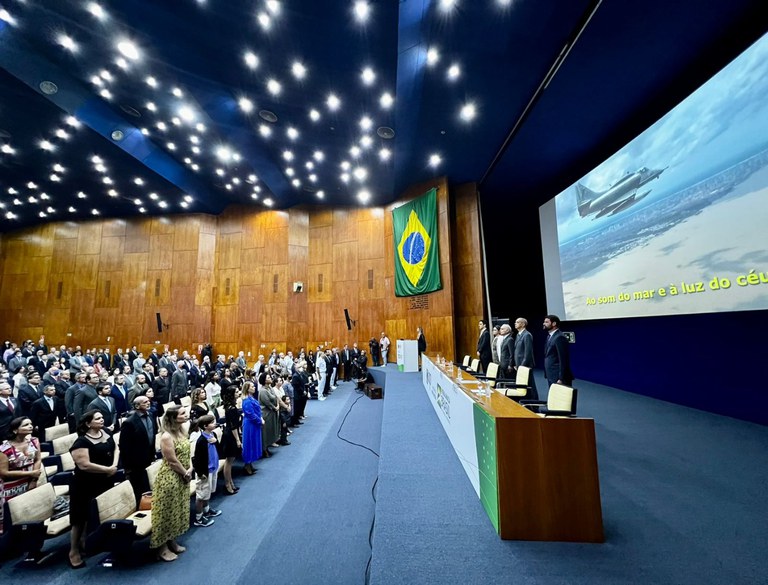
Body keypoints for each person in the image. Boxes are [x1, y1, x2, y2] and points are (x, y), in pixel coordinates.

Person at [68, 410, 117, 568]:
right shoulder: (81, 442)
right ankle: (74, 551)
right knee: (79, 519)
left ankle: (86, 542)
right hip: (84, 484)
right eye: (98, 418)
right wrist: (107, 469)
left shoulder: (106, 431)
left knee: (95, 514)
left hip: (105, 480)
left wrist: (114, 466)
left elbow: (117, 447)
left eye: (102, 417)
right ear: (88, 423)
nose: (102, 420)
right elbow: (84, 465)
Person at [151, 405, 193, 562]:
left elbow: (187, 452)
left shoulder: (182, 431)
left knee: (177, 510)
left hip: (183, 475)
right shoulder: (166, 437)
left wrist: (190, 468)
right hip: (170, 478)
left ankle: (172, 541)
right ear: (173, 418)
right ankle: (161, 548)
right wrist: (185, 472)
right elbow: (172, 461)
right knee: (166, 513)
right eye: (182, 413)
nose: (186, 415)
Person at [0, 417, 43, 535]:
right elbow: (4, 472)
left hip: (30, 480)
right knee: (12, 516)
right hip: (10, 486)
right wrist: (30, 473)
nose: (30, 426)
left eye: (31, 424)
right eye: (25, 425)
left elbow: (38, 459)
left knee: (30, 512)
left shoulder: (34, 441)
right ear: (15, 430)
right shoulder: (4, 449)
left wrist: (34, 479)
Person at [120, 395, 159, 505]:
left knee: (148, 484)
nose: (148, 403)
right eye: (145, 402)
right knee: (139, 487)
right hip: (136, 461)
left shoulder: (151, 415)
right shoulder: (129, 422)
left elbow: (152, 435)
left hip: (149, 456)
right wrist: (127, 466)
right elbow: (124, 446)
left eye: (148, 401)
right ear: (137, 406)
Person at [190, 414, 222, 527]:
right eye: (212, 422)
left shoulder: (212, 435)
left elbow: (219, 450)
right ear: (205, 426)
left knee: (208, 492)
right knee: (201, 495)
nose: (215, 423)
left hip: (213, 468)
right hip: (204, 471)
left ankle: (207, 510)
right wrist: (200, 473)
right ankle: (198, 518)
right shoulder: (201, 440)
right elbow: (197, 459)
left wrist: (216, 442)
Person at [220, 385, 242, 494]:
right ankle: (228, 484)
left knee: (231, 460)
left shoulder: (231, 406)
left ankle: (231, 482)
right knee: (229, 461)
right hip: (230, 435)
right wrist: (238, 440)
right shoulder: (231, 408)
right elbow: (233, 426)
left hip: (233, 433)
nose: (239, 392)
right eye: (237, 391)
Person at [543, 315, 573, 387]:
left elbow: (563, 359)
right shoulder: (549, 336)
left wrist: (561, 378)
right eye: (544, 322)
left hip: (557, 376)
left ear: (554, 324)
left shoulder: (559, 337)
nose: (544, 323)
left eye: (546, 322)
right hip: (551, 373)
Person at [513, 318, 538, 400]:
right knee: (523, 385)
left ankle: (534, 403)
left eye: (517, 322)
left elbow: (528, 353)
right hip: (519, 364)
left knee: (530, 384)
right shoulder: (518, 335)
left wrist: (522, 366)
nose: (515, 323)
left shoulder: (527, 335)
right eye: (515, 322)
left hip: (525, 365)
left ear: (523, 324)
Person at [241, 381, 263, 474]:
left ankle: (250, 463)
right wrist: (260, 420)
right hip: (250, 424)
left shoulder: (252, 398)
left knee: (254, 443)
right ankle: (247, 464)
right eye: (252, 387)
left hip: (255, 424)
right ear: (247, 389)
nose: (254, 388)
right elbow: (250, 414)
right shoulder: (246, 401)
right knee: (249, 444)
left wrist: (260, 418)